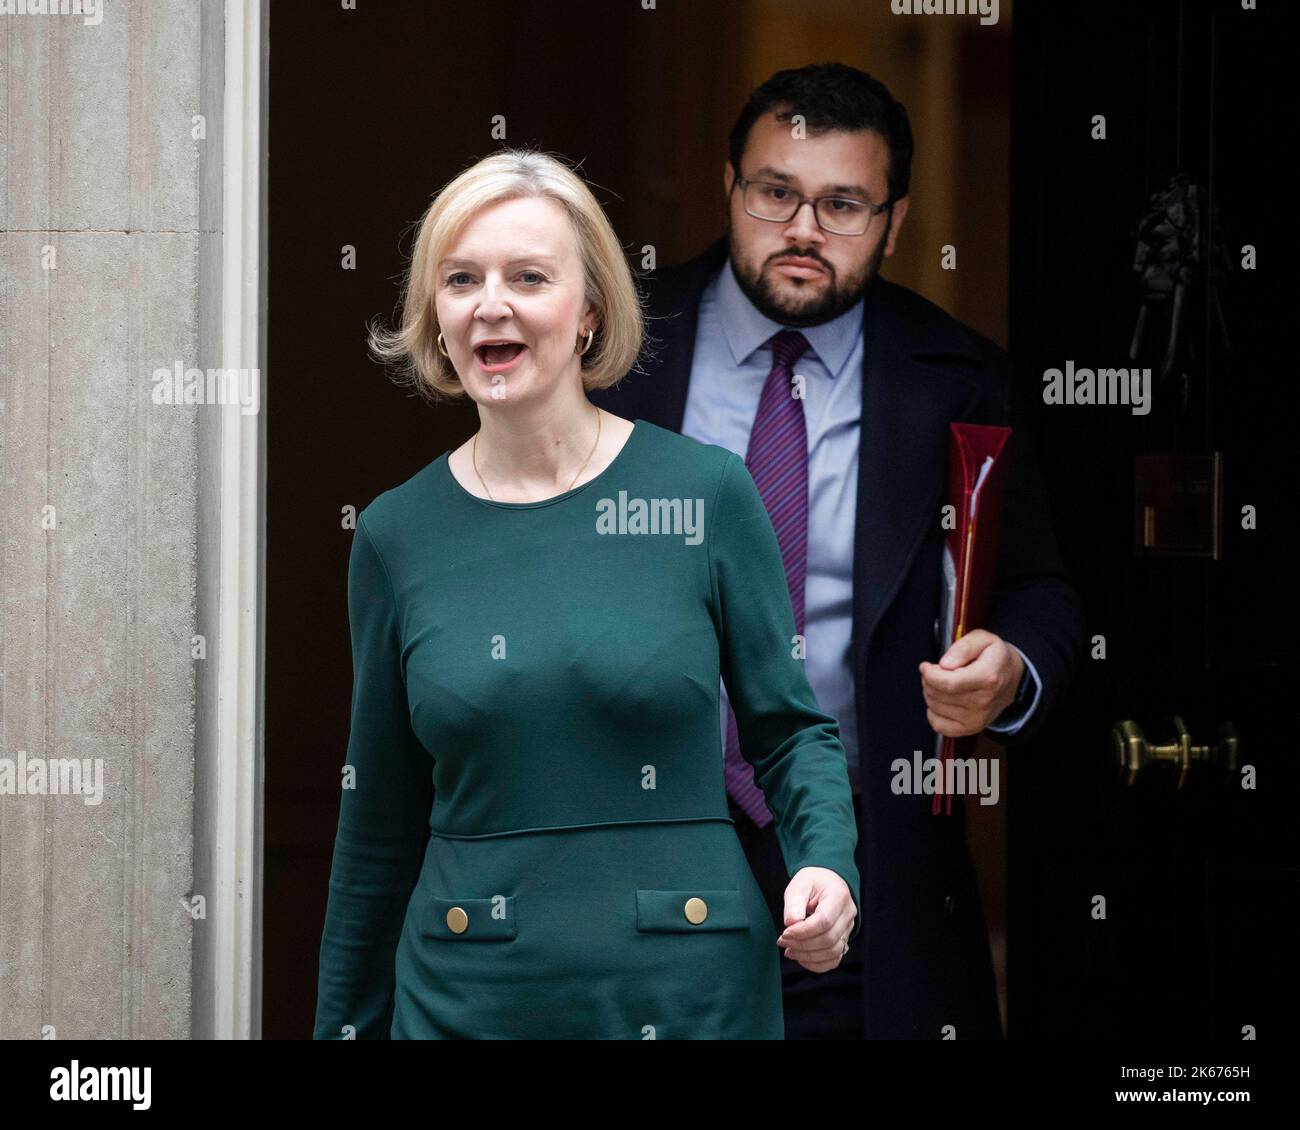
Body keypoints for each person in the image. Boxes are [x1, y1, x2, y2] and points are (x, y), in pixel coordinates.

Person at [312, 148, 861, 1039]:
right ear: (436, 317)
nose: (492, 303)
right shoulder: (394, 534)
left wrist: (829, 866)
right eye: (462, 279)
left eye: (528, 276)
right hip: (466, 1001)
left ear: (590, 313)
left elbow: (789, 730)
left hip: (688, 997)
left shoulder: (705, 493)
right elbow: (376, 824)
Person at [591, 62, 1084, 1039]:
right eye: (777, 193)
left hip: (865, 858)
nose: (804, 229)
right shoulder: (613, 347)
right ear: (730, 189)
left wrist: (1013, 666)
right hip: (629, 844)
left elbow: (1039, 585)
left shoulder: (959, 376)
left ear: (893, 223)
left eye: (843, 204)